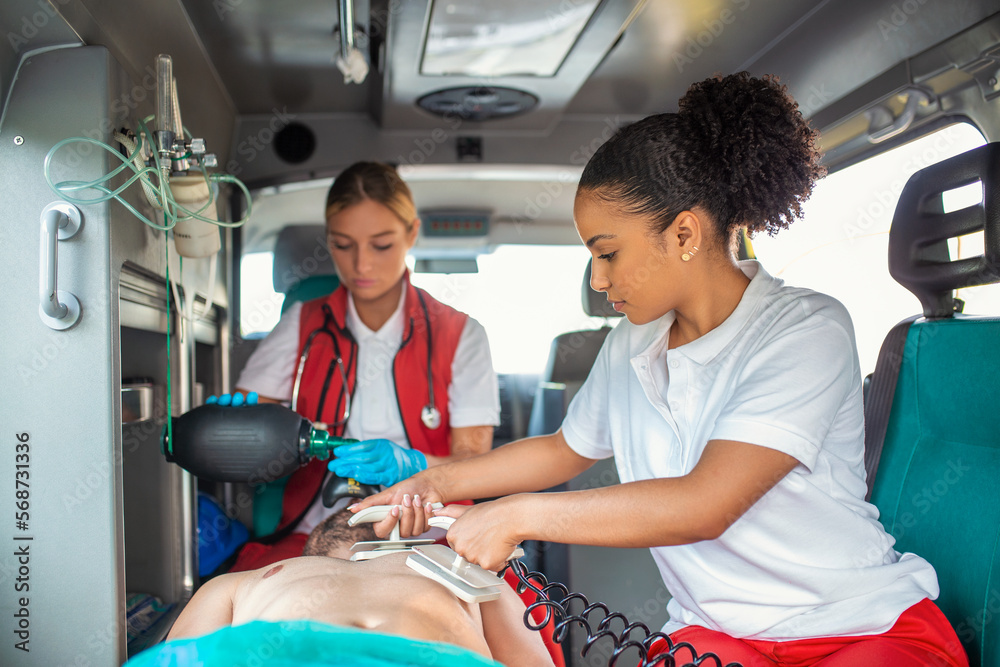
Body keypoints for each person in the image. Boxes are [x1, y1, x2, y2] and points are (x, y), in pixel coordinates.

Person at [351, 73, 969, 666]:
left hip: (856, 626)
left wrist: (514, 515)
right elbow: (563, 449)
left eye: (608, 253)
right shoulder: (630, 343)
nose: (598, 280)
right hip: (716, 634)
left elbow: (705, 503)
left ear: (684, 234)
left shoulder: (806, 328)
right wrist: (431, 485)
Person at [232, 161, 499, 570]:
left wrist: (416, 467)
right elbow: (248, 431)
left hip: (431, 532)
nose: (361, 265)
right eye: (343, 245)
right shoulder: (302, 324)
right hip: (318, 530)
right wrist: (238, 423)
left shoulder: (461, 334)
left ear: (411, 233)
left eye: (381, 245)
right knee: (247, 599)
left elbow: (474, 462)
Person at [143, 510, 552, 667]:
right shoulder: (460, 570)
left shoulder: (251, 579)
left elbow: (181, 655)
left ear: (311, 551)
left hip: (281, 651)